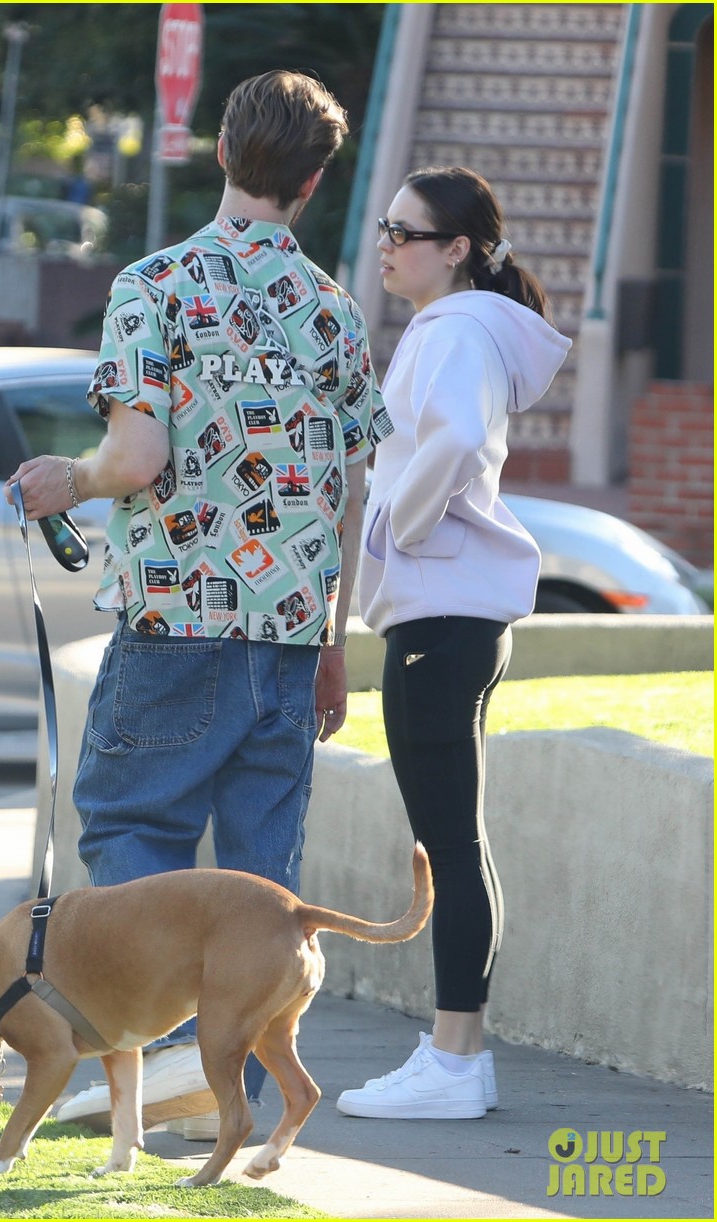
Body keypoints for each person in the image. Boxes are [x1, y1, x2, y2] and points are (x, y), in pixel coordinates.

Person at [5, 69, 389, 1138]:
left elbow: (135, 458)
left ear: (222, 152)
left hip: (176, 622)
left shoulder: (155, 286)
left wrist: (65, 480)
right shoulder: (333, 310)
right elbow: (346, 493)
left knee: (134, 829)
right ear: (314, 181)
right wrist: (330, 642)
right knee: (264, 886)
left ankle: (166, 1057)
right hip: (289, 637)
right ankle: (228, 1102)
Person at [336, 167, 571, 1121]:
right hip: (454, 617)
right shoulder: (462, 327)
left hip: (440, 618)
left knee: (450, 845)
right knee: (458, 842)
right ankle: (458, 1059)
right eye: (385, 228)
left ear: (458, 249)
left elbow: (456, 440)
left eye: (405, 231)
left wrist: (398, 528)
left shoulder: (454, 329)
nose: (386, 244)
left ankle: (452, 1060)